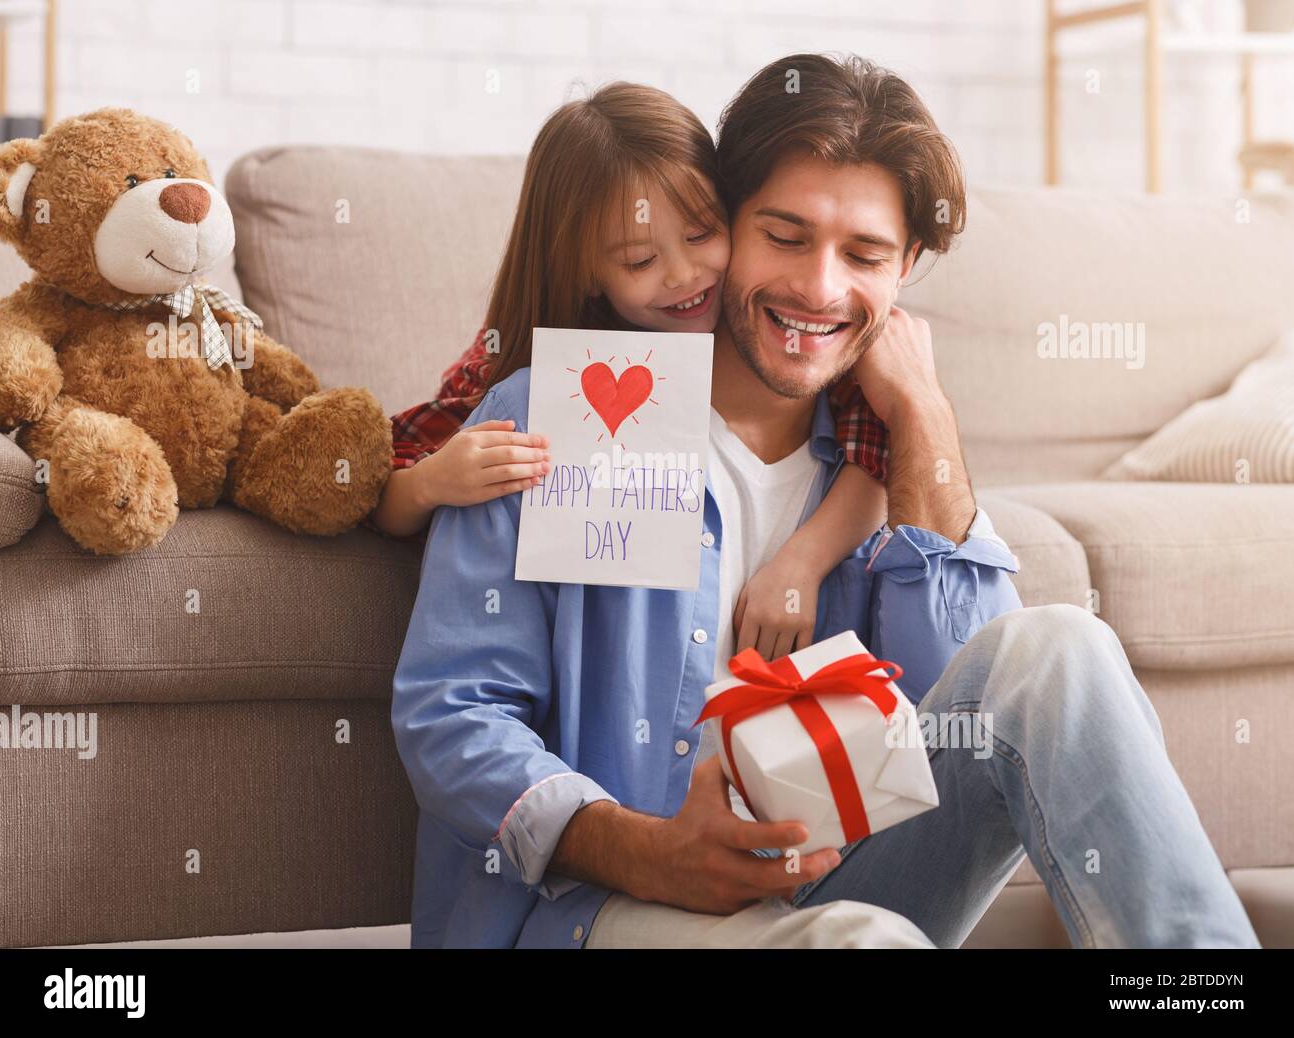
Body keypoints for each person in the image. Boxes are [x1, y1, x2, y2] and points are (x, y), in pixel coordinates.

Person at [391, 53, 1261, 950]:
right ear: (723, 218)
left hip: (837, 886)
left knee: (1060, 648)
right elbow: (454, 713)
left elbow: (957, 729)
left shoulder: (873, 455)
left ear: (907, 268)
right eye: (787, 235)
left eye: (866, 255)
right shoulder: (566, 414)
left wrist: (922, 413)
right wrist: (649, 852)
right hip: (598, 908)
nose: (819, 289)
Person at [371, 81, 887, 659]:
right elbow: (381, 484)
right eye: (640, 259)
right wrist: (426, 485)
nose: (683, 275)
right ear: (587, 272)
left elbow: (880, 450)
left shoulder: (776, 329)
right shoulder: (528, 381)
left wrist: (802, 561)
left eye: (701, 235)